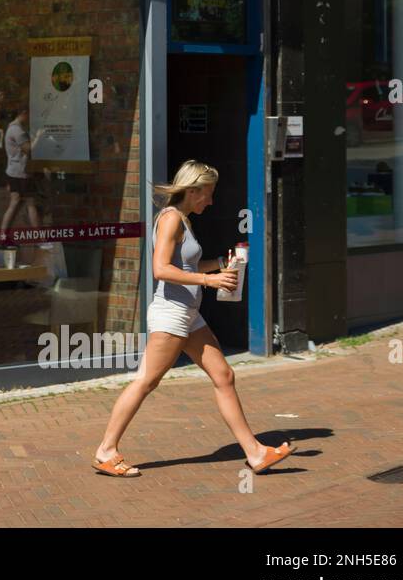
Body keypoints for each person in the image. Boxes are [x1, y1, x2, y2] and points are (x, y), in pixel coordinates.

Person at [91, 160, 294, 478]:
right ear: (193, 190)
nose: (211, 201)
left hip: (188, 313)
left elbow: (186, 268)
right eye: (208, 193)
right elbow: (161, 269)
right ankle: (106, 451)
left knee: (224, 376)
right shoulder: (171, 218)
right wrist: (210, 281)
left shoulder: (183, 219)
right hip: (171, 313)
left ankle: (255, 453)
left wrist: (220, 263)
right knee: (146, 381)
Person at [0, 108, 40, 241]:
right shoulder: (17, 130)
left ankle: (3, 236)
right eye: (29, 115)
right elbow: (29, 149)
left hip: (16, 171)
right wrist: (39, 136)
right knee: (28, 204)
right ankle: (39, 238)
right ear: (24, 113)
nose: (30, 119)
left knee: (17, 203)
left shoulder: (14, 128)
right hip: (21, 173)